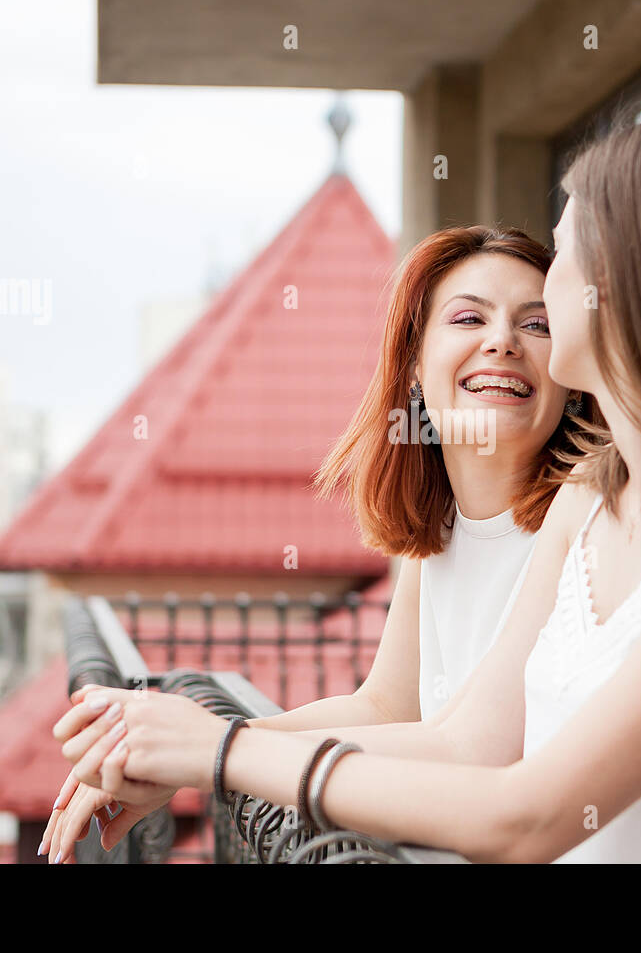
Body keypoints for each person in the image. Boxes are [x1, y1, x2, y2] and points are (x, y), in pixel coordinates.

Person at [55, 111, 641, 863]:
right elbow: (470, 746)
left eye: (563, 259)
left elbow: (528, 815)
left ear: (631, 283)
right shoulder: (589, 505)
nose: (538, 301)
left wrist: (222, 753)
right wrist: (195, 743)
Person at [40, 225, 591, 860]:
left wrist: (213, 752)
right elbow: (387, 706)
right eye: (469, 317)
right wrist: (199, 744)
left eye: (537, 325)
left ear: (570, 375)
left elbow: (471, 748)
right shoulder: (439, 528)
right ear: (414, 365)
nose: (502, 342)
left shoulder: (585, 516)